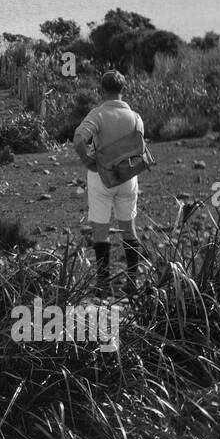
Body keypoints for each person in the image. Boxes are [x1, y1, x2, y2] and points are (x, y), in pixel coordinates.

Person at [72, 70, 145, 293]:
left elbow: (78, 138)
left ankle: (104, 284)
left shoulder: (98, 114)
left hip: (102, 178)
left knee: (101, 231)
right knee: (128, 228)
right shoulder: (135, 117)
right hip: (128, 178)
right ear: (123, 90)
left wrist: (88, 162)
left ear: (101, 90)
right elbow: (139, 148)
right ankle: (133, 282)